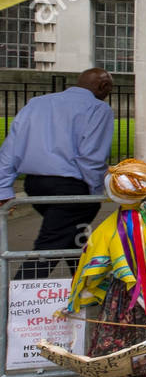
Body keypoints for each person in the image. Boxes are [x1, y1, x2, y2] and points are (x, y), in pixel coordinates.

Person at [66, 159, 146, 377]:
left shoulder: (119, 223)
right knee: (138, 343)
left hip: (119, 296)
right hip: (134, 293)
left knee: (123, 344)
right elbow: (138, 272)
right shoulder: (135, 227)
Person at [0, 68, 114, 279]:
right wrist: (97, 191)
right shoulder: (98, 109)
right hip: (71, 187)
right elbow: (91, 157)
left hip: (35, 185)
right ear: (103, 86)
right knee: (51, 244)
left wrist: (3, 187)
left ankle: (88, 284)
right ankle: (18, 301)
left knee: (72, 235)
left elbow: (12, 147)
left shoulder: (38, 103)